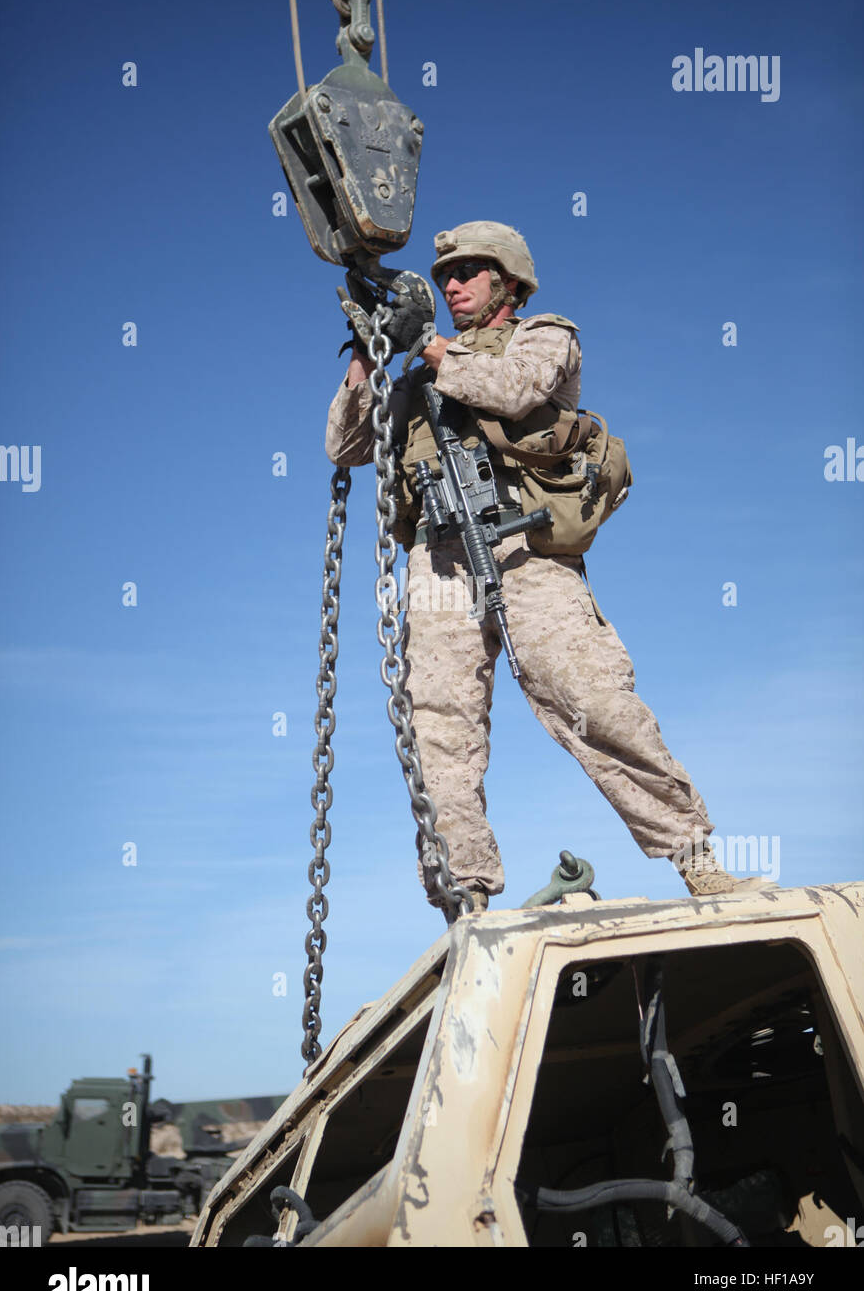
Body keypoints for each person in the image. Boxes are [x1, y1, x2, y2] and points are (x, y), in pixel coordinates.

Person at [326, 221, 763, 910]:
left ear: (508, 281)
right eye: (445, 275)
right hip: (438, 563)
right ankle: (463, 899)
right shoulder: (419, 375)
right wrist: (365, 349)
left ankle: (694, 856)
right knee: (440, 730)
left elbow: (514, 390)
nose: (452, 284)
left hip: (527, 550)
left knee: (592, 701)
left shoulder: (545, 337)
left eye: (470, 271)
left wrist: (428, 347)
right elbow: (346, 444)